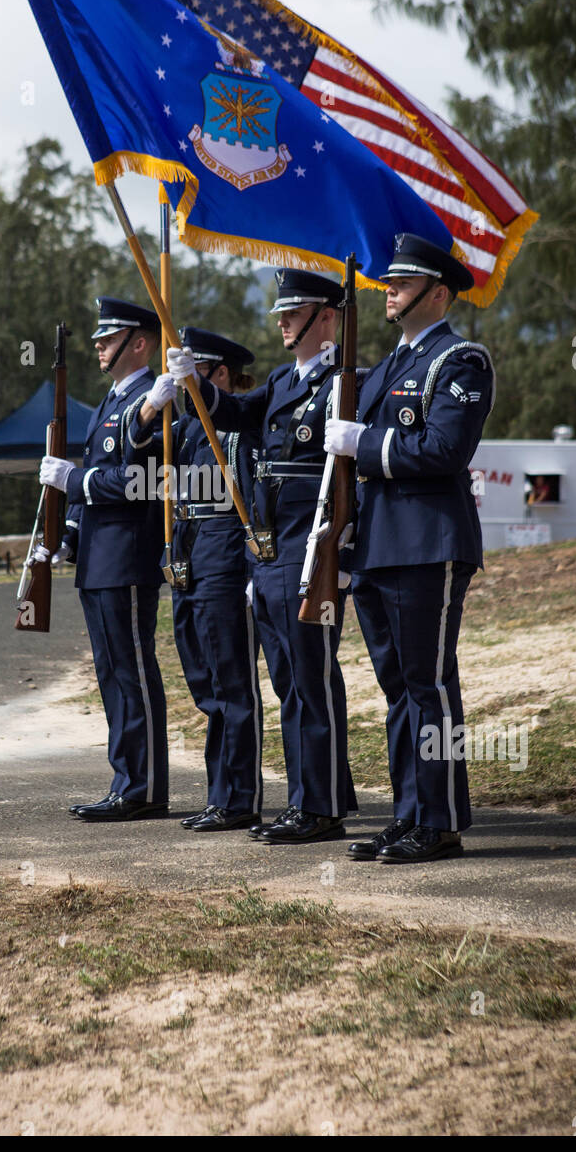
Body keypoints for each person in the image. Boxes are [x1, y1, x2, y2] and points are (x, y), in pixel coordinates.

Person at [167, 269, 358, 844]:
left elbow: (352, 479)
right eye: (280, 312)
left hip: (312, 547)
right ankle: (309, 798)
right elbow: (239, 415)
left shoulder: (344, 382)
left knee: (312, 680)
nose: (282, 321)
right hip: (270, 553)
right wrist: (197, 390)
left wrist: (345, 549)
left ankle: (320, 806)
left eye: (294, 312)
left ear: (328, 316)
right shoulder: (281, 380)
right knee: (288, 683)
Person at [325, 232, 495, 864]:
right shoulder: (388, 367)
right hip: (377, 546)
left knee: (430, 685)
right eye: (389, 281)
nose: (388, 289)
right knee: (399, 686)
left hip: (428, 544)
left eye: (402, 281)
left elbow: (445, 451)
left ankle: (442, 820)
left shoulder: (460, 361)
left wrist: (362, 444)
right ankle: (410, 812)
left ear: (439, 292)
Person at [37, 296, 168, 821]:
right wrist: (68, 531)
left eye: (109, 338)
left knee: (133, 672)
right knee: (112, 673)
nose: (98, 346)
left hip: (129, 556)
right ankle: (126, 780)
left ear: (139, 343)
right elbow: (96, 469)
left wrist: (77, 481)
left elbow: (141, 480)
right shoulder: (111, 401)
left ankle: (144, 788)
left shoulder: (155, 400)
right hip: (98, 557)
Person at [129, 327, 263, 832]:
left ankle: (239, 797)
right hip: (186, 555)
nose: (182, 383)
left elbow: (252, 498)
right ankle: (220, 792)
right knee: (205, 685)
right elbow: (133, 457)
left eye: (192, 372)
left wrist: (253, 567)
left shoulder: (235, 426)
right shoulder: (182, 429)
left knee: (232, 683)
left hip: (226, 556)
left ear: (220, 374)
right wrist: (148, 406)